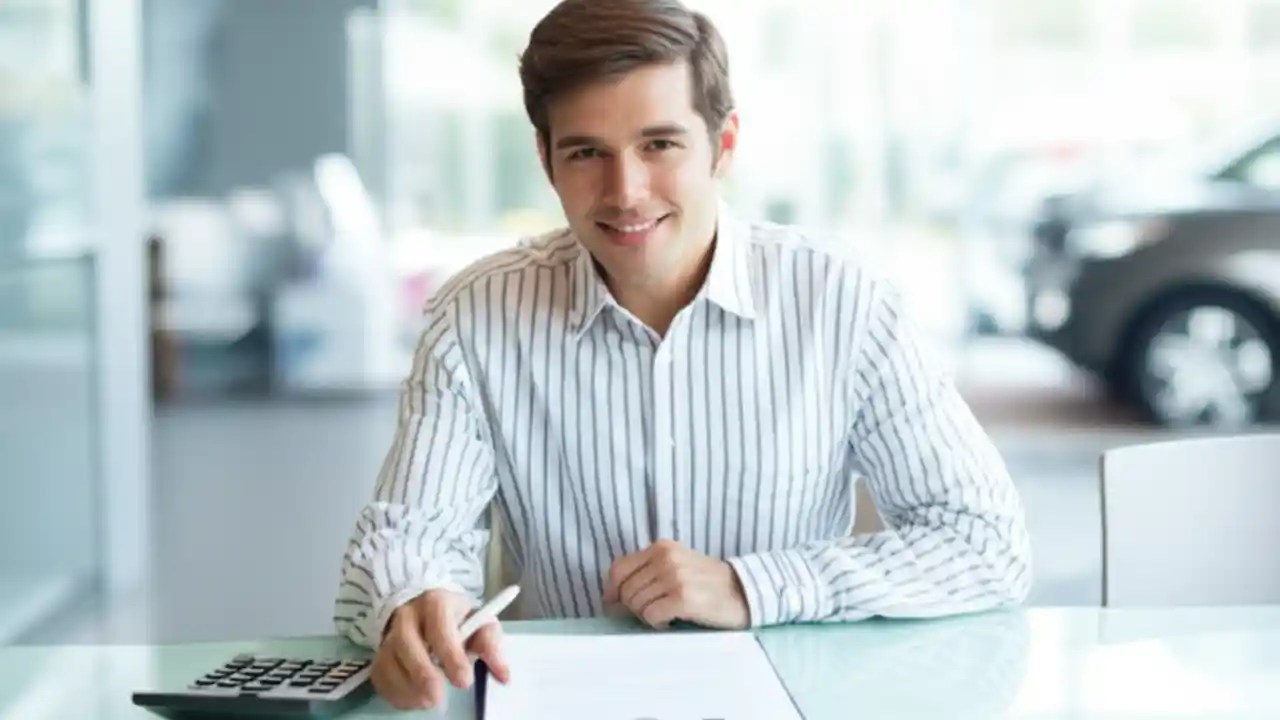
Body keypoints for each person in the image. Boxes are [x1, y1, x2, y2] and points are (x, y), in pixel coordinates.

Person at [334, 0, 1032, 710]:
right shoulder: (474, 319)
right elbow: (409, 533)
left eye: (659, 145)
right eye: (586, 153)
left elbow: (981, 544)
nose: (625, 192)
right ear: (546, 160)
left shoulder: (845, 305)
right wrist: (413, 600)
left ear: (722, 145)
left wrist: (746, 586)